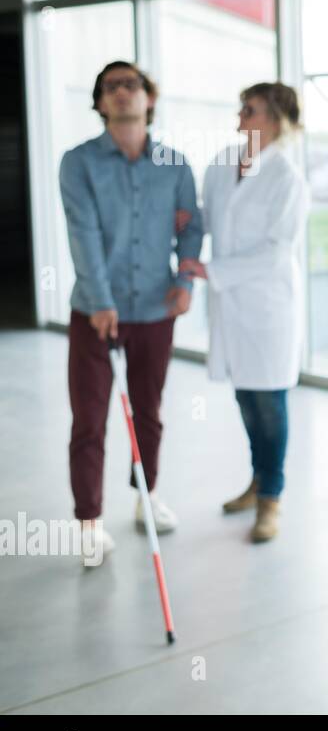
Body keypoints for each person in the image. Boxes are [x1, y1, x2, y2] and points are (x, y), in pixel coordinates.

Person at [60, 60, 202, 561]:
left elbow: (190, 227)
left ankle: (147, 495)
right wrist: (100, 302)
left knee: (149, 411)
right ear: (99, 102)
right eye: (111, 86)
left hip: (154, 308)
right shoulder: (77, 163)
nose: (122, 92)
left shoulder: (174, 163)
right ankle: (89, 523)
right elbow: (84, 235)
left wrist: (185, 280)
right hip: (93, 312)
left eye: (132, 84)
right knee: (91, 417)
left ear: (149, 98)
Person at [180, 83, 310, 543]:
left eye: (249, 110)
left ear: (275, 119)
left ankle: (272, 497)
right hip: (231, 306)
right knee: (245, 398)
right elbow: (205, 218)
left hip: (268, 306)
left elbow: (276, 252)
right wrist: (183, 227)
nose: (240, 118)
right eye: (240, 109)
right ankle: (257, 482)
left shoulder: (287, 179)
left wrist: (212, 269)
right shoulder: (222, 163)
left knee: (269, 402)